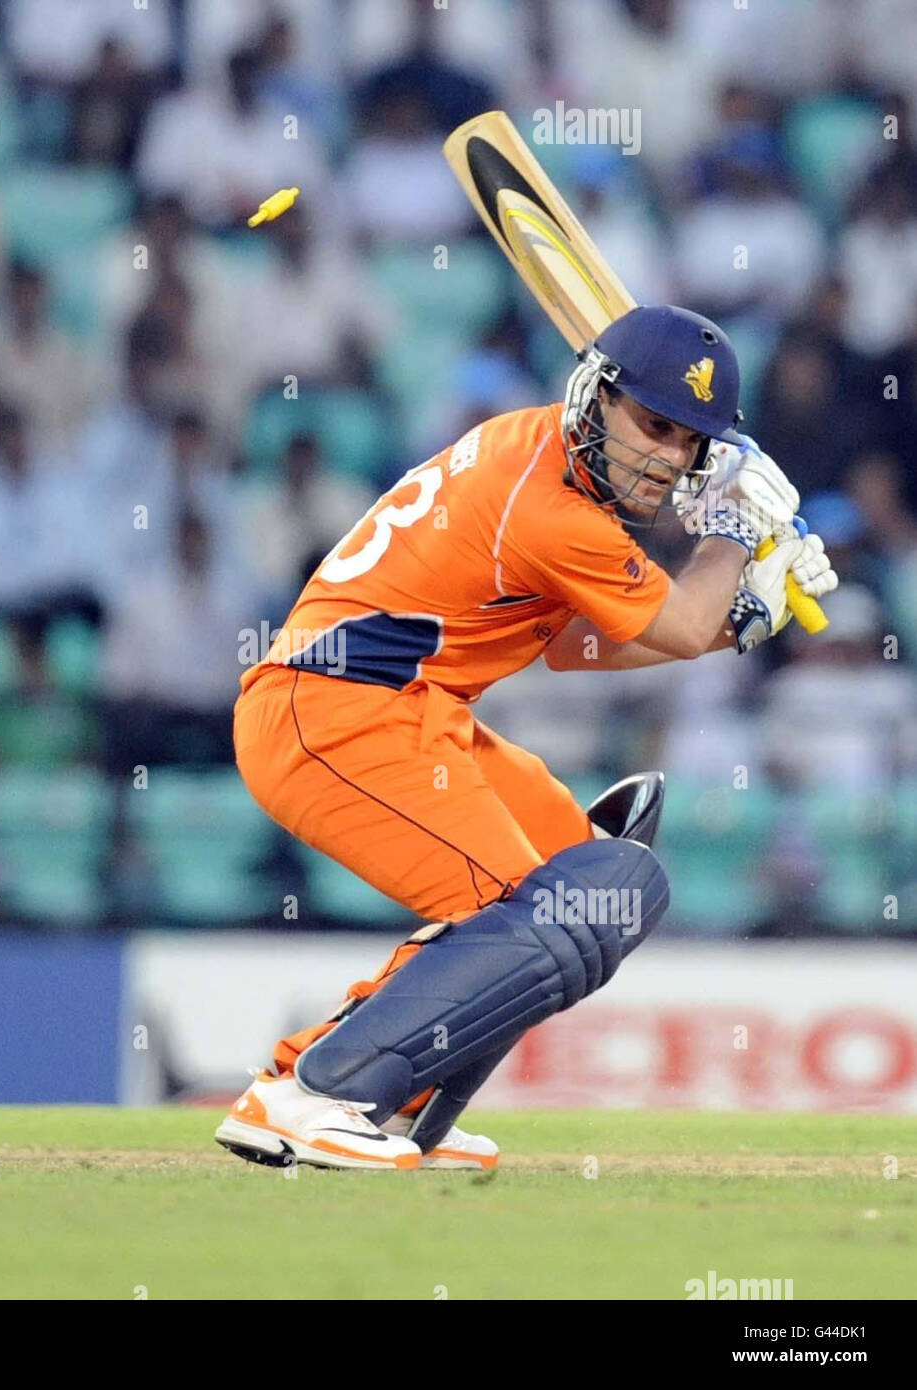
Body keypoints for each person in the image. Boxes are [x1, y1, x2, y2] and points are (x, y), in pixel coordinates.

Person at [217, 305, 838, 1172]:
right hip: (330, 712)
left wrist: (734, 615)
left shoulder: (543, 460)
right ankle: (312, 1091)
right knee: (524, 912)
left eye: (689, 439)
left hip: (417, 711)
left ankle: (401, 1110)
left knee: (596, 886)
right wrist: (734, 534)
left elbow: (577, 643)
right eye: (652, 424)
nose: (666, 454)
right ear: (597, 396)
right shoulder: (549, 506)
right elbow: (676, 617)